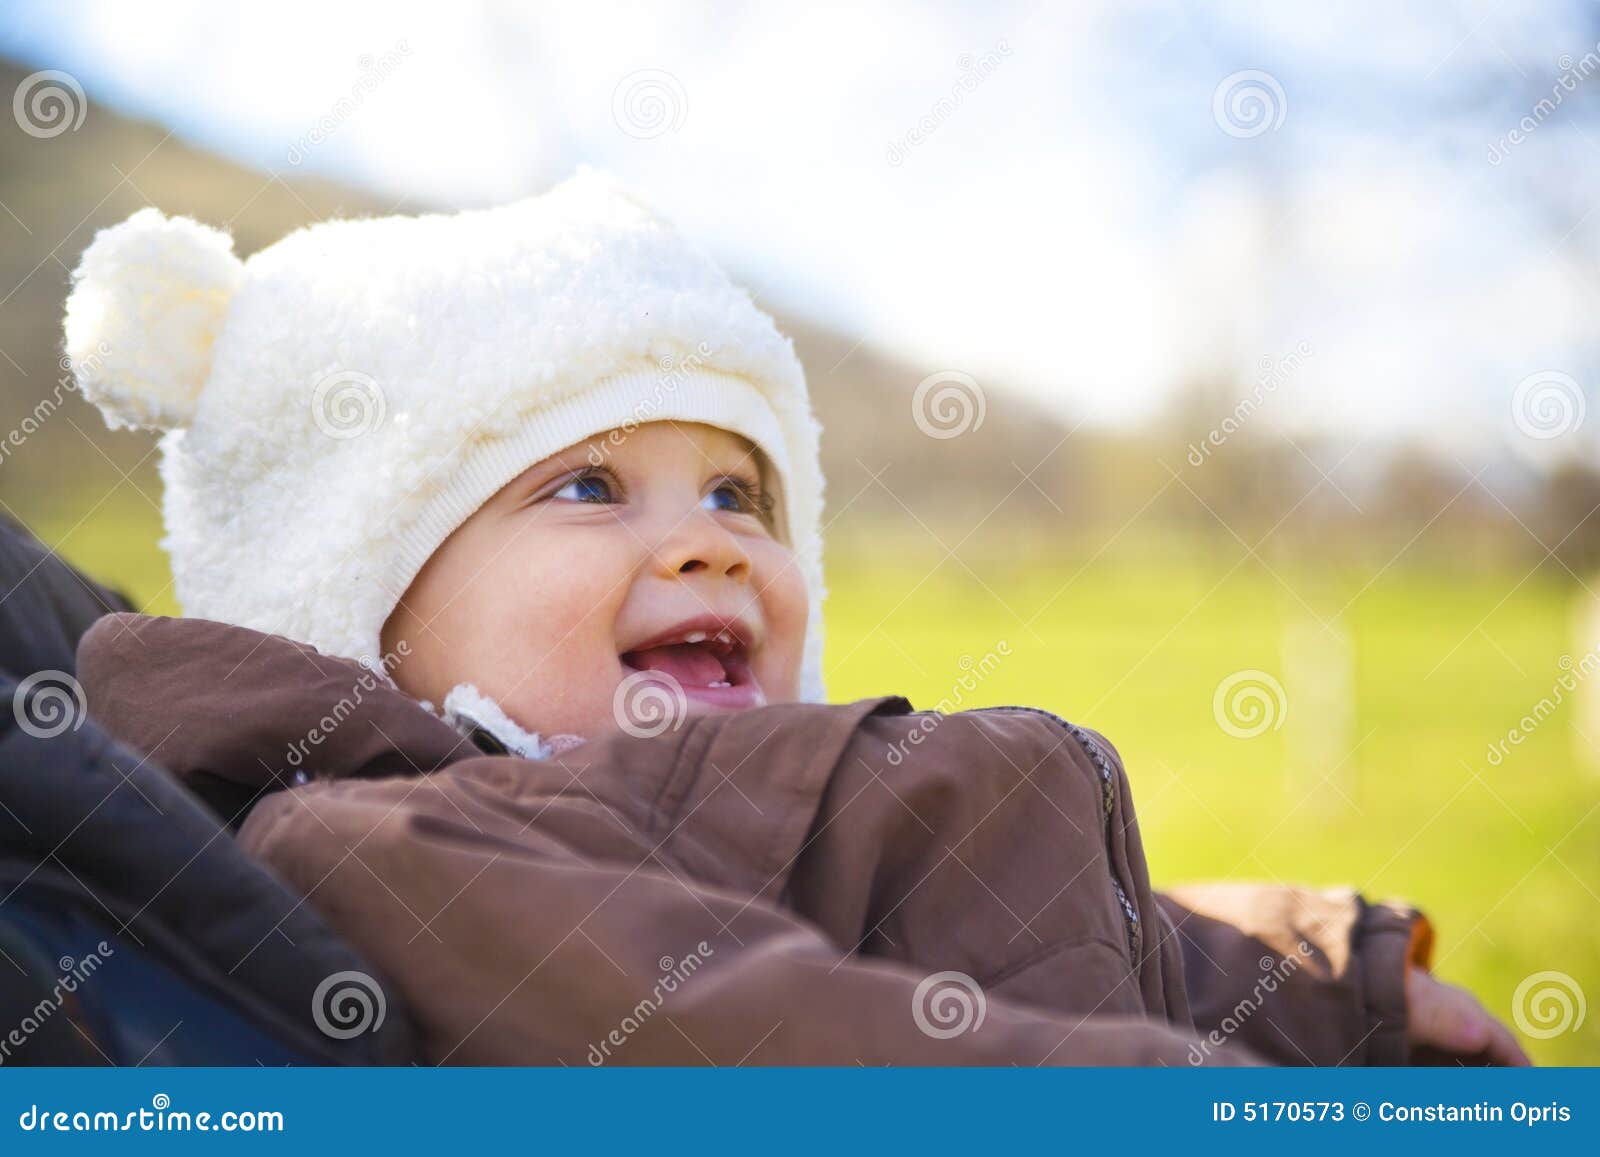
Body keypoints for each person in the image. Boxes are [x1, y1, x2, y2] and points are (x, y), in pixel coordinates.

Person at [61, 172, 1527, 1066]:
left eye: (738, 492)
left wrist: (1347, 986)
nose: (704, 543)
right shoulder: (399, 840)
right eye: (588, 486)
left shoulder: (785, 799)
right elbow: (771, 1037)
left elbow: (1105, 936)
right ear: (360, 602)